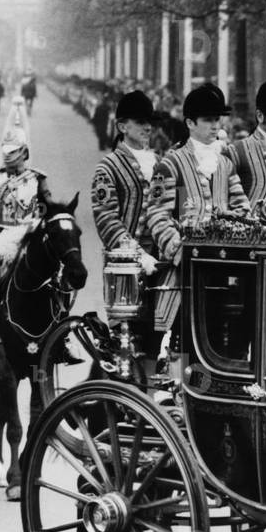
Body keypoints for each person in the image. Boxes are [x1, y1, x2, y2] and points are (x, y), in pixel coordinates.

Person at [146, 83, 250, 336]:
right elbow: (157, 215)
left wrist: (234, 225)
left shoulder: (226, 164)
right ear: (190, 123)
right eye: (207, 120)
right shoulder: (170, 165)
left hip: (223, 271)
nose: (215, 126)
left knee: (223, 338)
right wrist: (178, 249)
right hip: (185, 274)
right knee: (184, 344)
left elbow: (243, 208)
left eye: (217, 120)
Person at [91, 89, 163, 367]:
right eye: (140, 121)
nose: (148, 127)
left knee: (156, 342)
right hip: (124, 269)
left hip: (159, 265)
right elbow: (107, 220)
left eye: (150, 122)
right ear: (122, 127)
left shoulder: (160, 163)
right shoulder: (107, 168)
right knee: (125, 344)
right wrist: (137, 254)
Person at [0, 103, 49, 247]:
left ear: (24, 152)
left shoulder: (37, 179)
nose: (7, 155)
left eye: (13, 151)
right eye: (5, 151)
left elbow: (48, 213)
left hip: (29, 239)